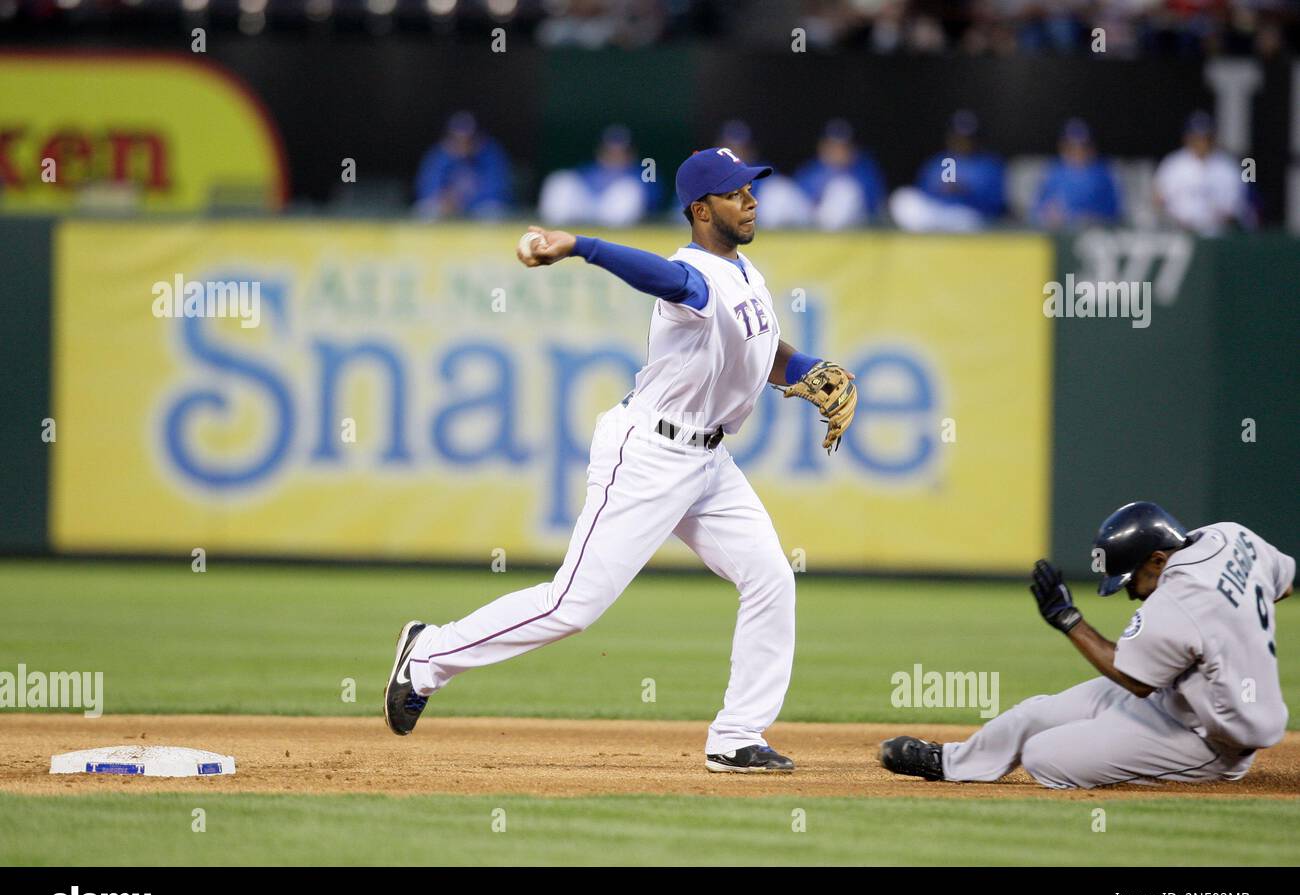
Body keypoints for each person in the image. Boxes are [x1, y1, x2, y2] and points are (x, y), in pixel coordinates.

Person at [384, 147, 859, 773]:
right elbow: (659, 275)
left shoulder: (745, 273)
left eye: (751, 188)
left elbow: (766, 350)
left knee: (770, 577)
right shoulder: (691, 274)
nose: (750, 199)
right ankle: (427, 656)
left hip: (710, 463)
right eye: (735, 192)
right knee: (573, 605)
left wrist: (807, 371)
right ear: (700, 209)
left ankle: (737, 735)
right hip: (649, 454)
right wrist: (580, 245)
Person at [882, 501, 1293, 789]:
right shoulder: (1231, 536)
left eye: (1131, 580)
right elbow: (1285, 584)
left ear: (1157, 559)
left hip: (1215, 738)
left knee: (1046, 758)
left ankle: (1145, 769)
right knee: (1034, 714)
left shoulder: (1179, 600)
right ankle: (950, 763)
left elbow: (1136, 681)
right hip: (1181, 694)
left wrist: (1069, 620)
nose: (1131, 593)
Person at [890, 109, 1006, 232]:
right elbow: (921, 193)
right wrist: (942, 189)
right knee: (903, 197)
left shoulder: (989, 164)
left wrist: (965, 191)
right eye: (957, 136)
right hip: (935, 213)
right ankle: (932, 230)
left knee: (966, 220)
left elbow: (996, 203)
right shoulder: (938, 162)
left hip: (967, 215)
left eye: (966, 138)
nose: (961, 141)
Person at [537, 124, 659, 227]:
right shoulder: (589, 169)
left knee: (628, 189)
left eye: (620, 151)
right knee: (561, 179)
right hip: (584, 209)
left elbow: (653, 200)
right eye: (610, 150)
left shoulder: (642, 172)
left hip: (613, 220)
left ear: (631, 153)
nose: (615, 155)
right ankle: (554, 230)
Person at [1153, 111, 1250, 235]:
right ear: (1187, 138)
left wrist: (1215, 221)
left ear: (1213, 138)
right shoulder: (1173, 164)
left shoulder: (1228, 167)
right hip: (1180, 233)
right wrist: (1171, 220)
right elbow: (1158, 200)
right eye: (1196, 138)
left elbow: (1236, 206)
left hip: (1218, 235)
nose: (1201, 143)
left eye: (1205, 138)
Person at [413, 111, 512, 220]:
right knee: (426, 210)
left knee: (492, 211)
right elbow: (427, 187)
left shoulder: (490, 154)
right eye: (458, 138)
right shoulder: (439, 156)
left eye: (468, 139)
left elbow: (497, 190)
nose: (463, 143)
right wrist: (446, 200)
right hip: (445, 206)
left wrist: (464, 201)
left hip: (480, 207)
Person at [793, 118, 888, 230]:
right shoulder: (812, 170)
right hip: (811, 219)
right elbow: (799, 199)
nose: (838, 151)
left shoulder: (864, 170)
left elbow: (876, 202)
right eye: (832, 146)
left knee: (844, 188)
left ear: (853, 149)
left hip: (857, 222)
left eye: (843, 147)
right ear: (822, 147)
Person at [1032, 118, 1122, 228]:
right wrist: (1047, 213)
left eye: (1082, 146)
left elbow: (1113, 213)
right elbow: (1035, 211)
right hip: (1057, 232)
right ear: (1062, 147)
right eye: (1071, 147)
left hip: (1091, 233)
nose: (1077, 151)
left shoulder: (1102, 175)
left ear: (1091, 148)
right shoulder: (1053, 172)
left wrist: (1082, 217)